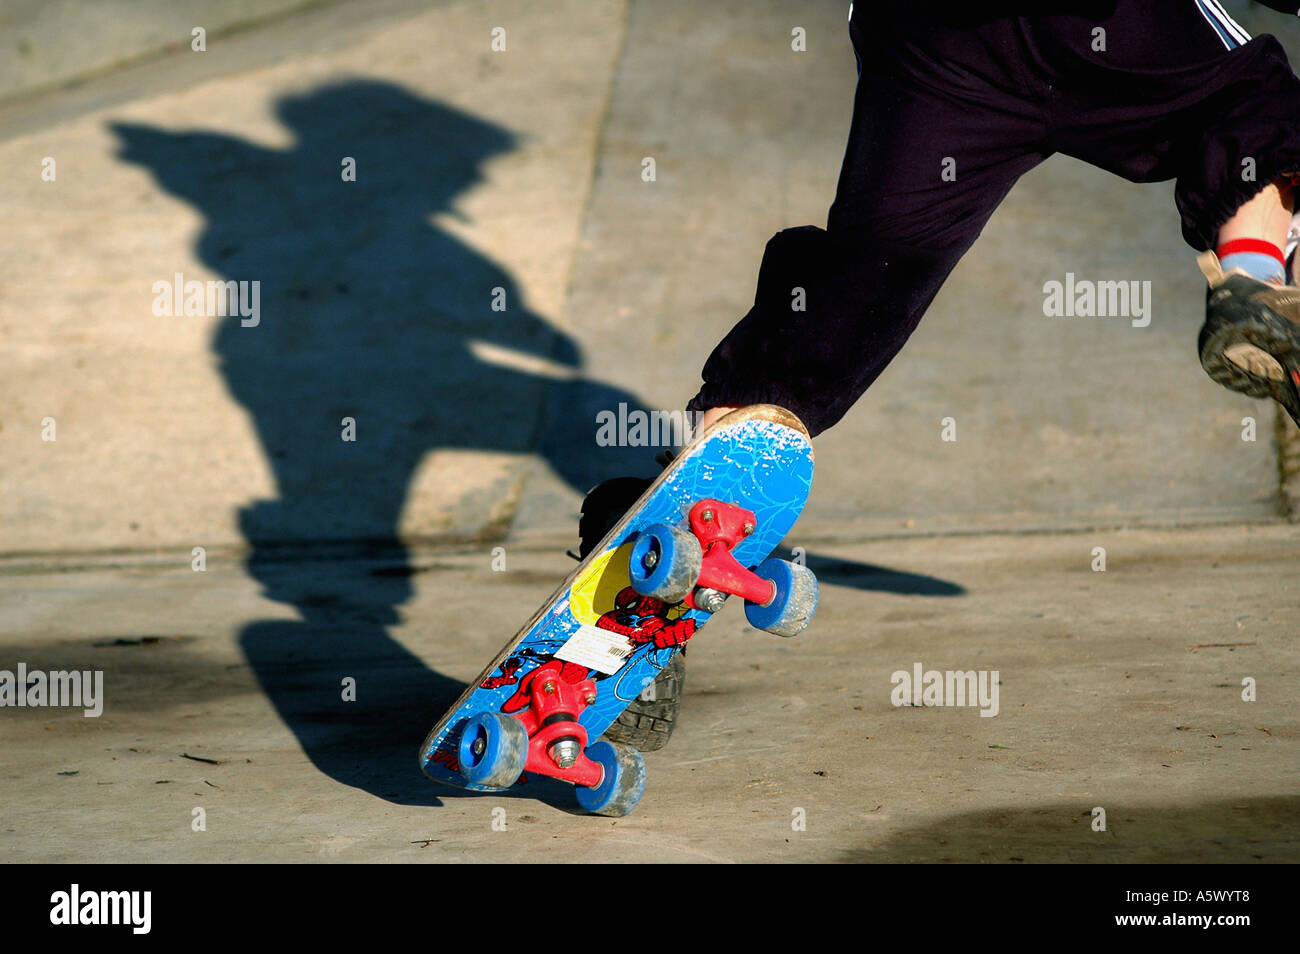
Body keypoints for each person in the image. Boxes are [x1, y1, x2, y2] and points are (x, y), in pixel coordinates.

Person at [591, 1, 1300, 751]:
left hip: (939, 53)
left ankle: (638, 588)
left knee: (848, 301)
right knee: (1254, 102)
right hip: (1095, 24)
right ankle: (1256, 284)